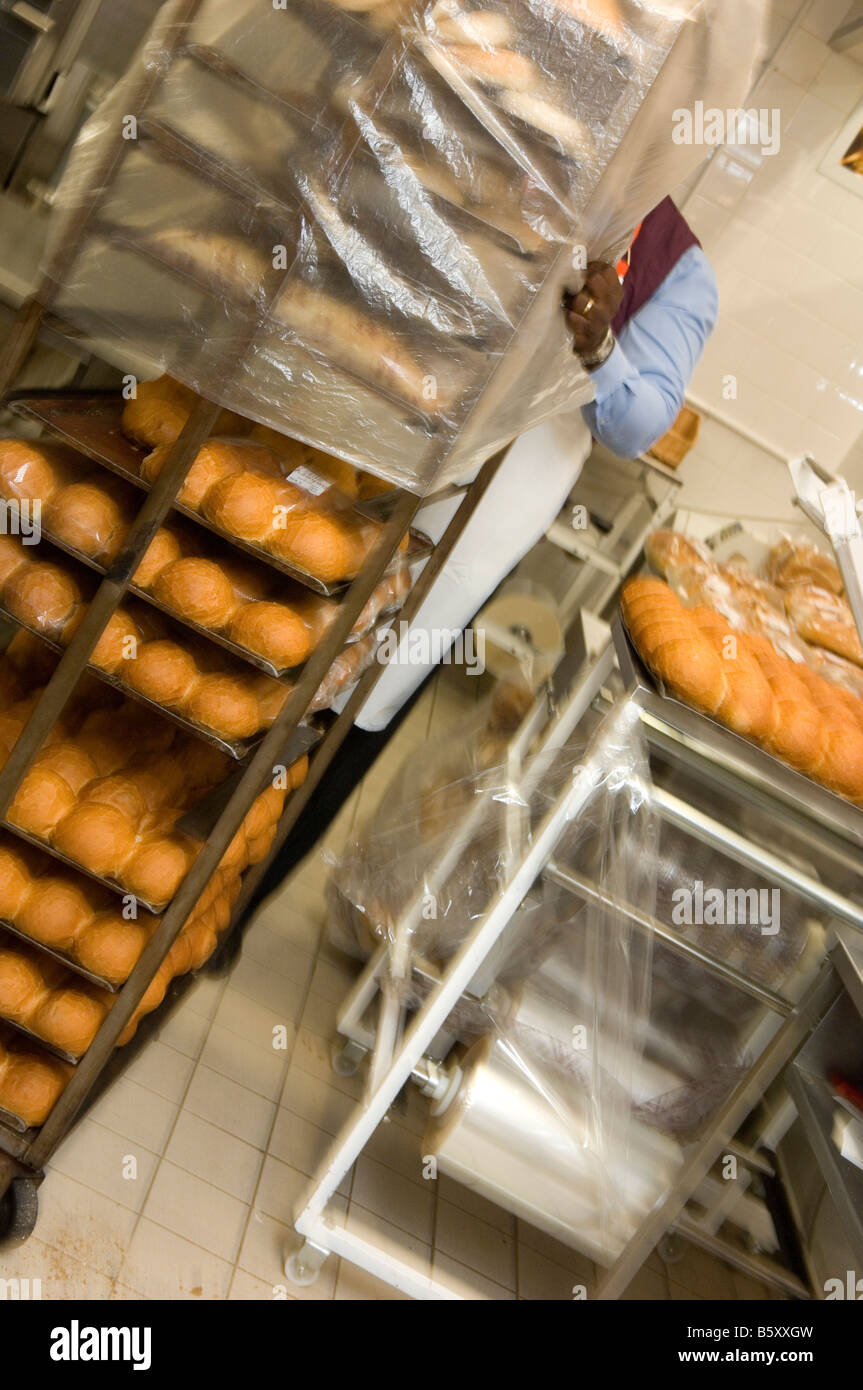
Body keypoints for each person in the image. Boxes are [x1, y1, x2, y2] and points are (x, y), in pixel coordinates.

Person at [253, 195, 718, 898]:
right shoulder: (540, 150)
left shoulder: (679, 265)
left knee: (370, 680)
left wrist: (598, 345)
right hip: (386, 404)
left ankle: (235, 896)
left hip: (507, 478)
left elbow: (637, 424)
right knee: (269, 583)